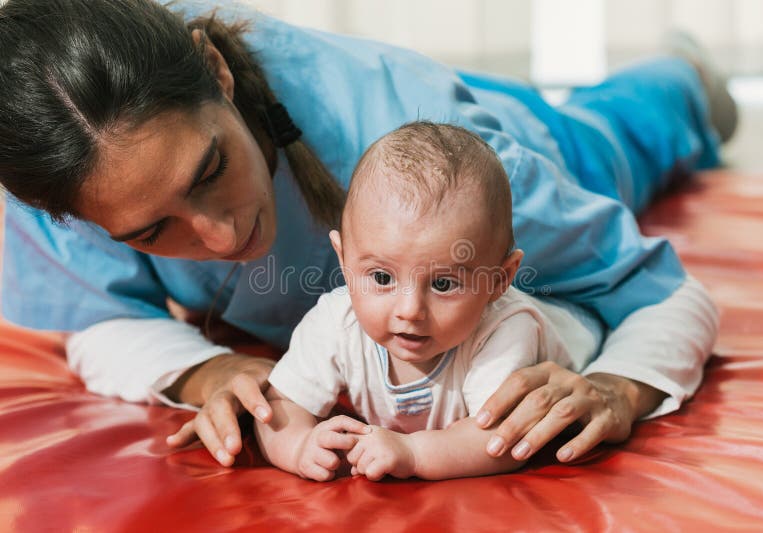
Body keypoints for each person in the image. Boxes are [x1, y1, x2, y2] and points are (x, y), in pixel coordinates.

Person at [0, 0, 722, 469]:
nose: (221, 237)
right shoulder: (77, 158)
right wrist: (203, 370)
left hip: (538, 138)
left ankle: (682, 72)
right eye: (153, 229)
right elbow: (95, 314)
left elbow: (661, 293)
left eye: (211, 168)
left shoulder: (459, 175)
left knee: (629, 125)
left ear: (217, 73)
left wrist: (616, 388)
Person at [257, 121, 605, 481]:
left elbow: (500, 440)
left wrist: (412, 452)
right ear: (344, 261)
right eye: (382, 278)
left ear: (499, 280)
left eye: (442, 283)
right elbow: (280, 406)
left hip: (580, 322)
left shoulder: (505, 330)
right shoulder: (335, 321)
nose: (409, 311)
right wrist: (299, 446)